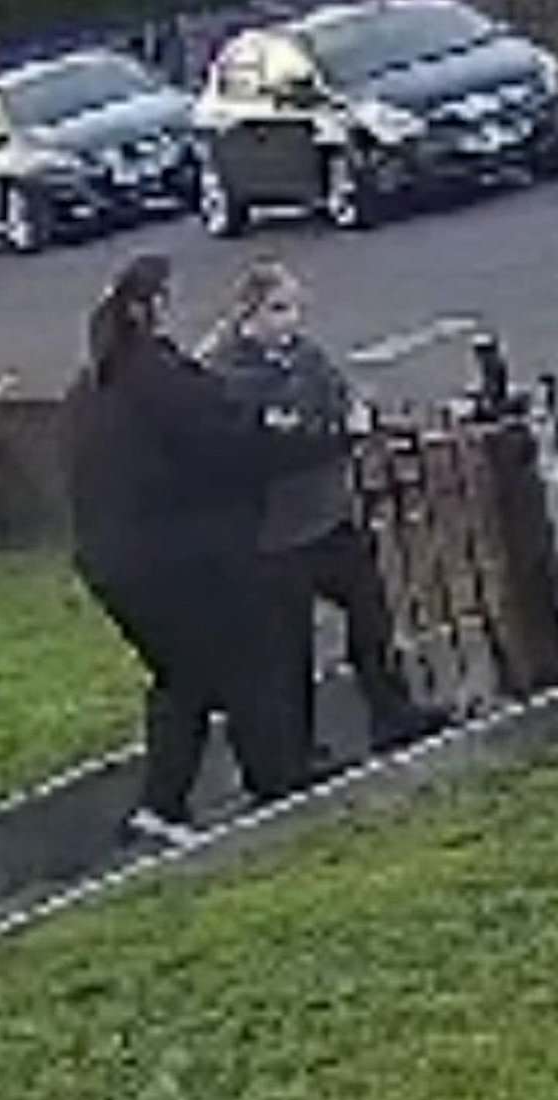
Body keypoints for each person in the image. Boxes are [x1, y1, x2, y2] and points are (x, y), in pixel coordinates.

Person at [63, 253, 348, 850]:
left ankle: (160, 809)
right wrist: (309, 443)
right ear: (150, 309)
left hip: (116, 562)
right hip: (175, 557)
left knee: (186, 676)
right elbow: (228, 440)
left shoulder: (96, 384)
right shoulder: (156, 376)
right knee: (250, 651)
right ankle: (277, 778)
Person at [198, 258, 450, 753]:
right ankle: (296, 747)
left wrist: (344, 420)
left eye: (293, 308)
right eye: (278, 309)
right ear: (249, 314)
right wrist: (323, 431)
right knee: (290, 647)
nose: (290, 320)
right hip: (273, 533)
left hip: (328, 516)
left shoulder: (304, 356)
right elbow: (269, 442)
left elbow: (335, 402)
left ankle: (391, 713)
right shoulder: (226, 374)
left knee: (371, 615)